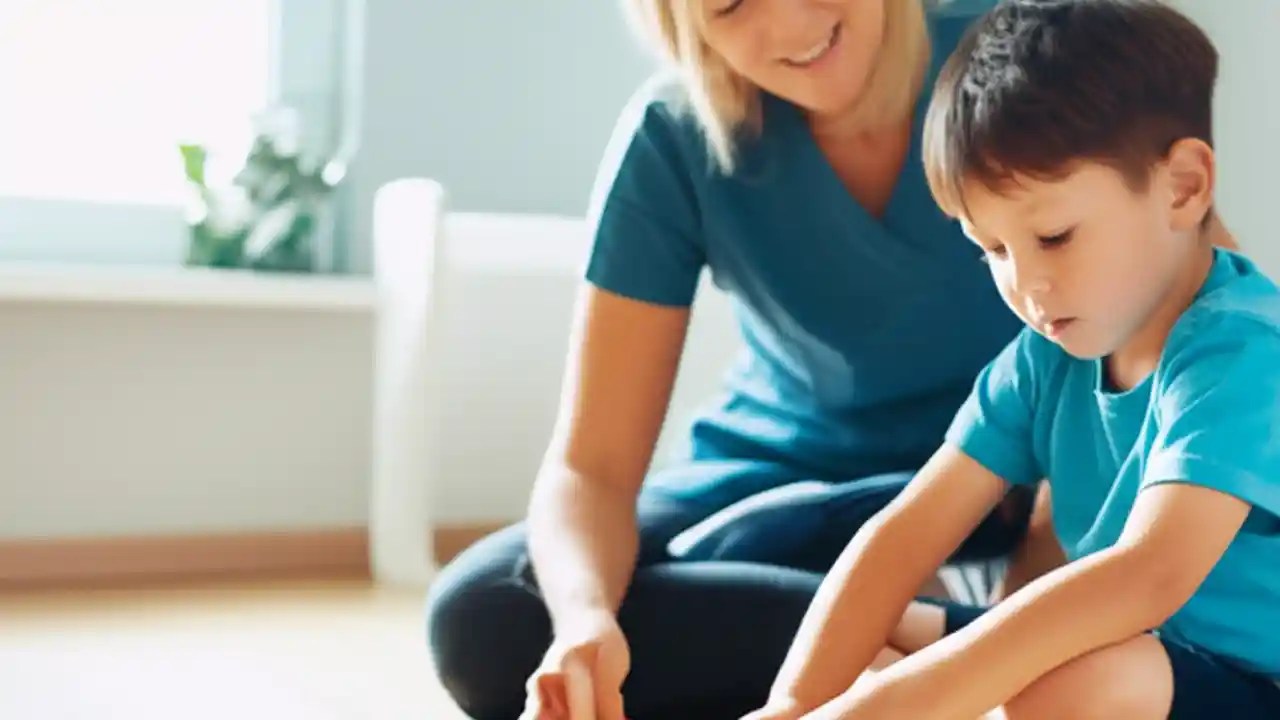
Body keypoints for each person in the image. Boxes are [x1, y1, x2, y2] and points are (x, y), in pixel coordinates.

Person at [425, 2, 1050, 718]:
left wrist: (1044, 556)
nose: (791, 25)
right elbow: (589, 469)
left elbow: (1172, 314)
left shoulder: (1022, 60)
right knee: (485, 616)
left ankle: (912, 650)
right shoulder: (674, 136)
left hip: (988, 482)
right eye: (728, 3)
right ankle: (945, 650)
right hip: (769, 486)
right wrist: (584, 624)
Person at [742, 1, 1280, 718]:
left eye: (1054, 236)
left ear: (1181, 186)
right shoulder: (1045, 356)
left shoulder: (1243, 353)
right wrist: (797, 705)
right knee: (868, 634)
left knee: (1075, 680)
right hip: (1127, 649)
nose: (1025, 286)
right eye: (991, 249)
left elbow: (1145, 578)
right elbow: (903, 536)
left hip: (1244, 679)